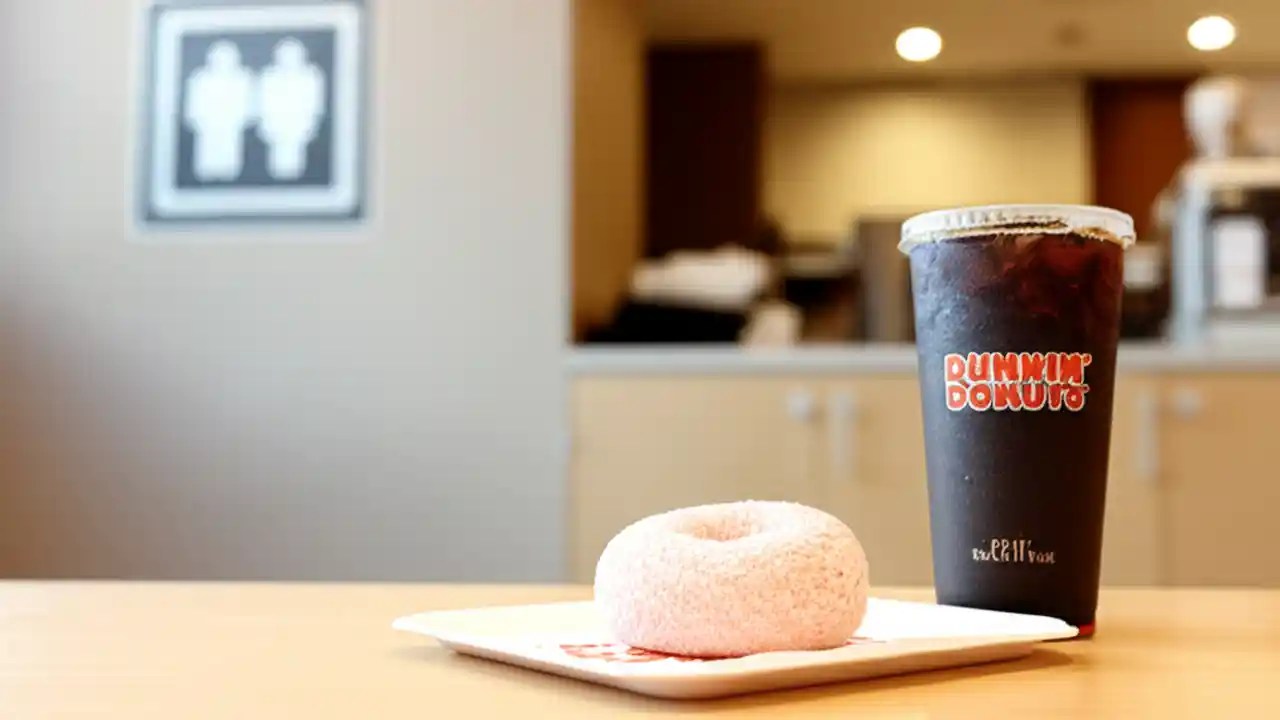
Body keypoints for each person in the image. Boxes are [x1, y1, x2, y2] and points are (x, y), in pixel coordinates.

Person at [184, 41, 255, 181]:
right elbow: (193, 106)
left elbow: (249, 106)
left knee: (228, 160)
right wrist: (199, 121)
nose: (223, 62)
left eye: (227, 58)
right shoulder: (201, 78)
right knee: (208, 159)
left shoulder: (242, 79)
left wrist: (240, 121)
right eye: (219, 58)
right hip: (207, 129)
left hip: (231, 129)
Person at [256, 38, 326, 180]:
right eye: (285, 55)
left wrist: (311, 123)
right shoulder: (269, 77)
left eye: (292, 55)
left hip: (299, 126)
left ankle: (296, 174)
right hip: (276, 127)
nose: (288, 59)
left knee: (294, 158)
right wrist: (266, 124)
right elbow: (263, 104)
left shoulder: (310, 76)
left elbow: (315, 104)